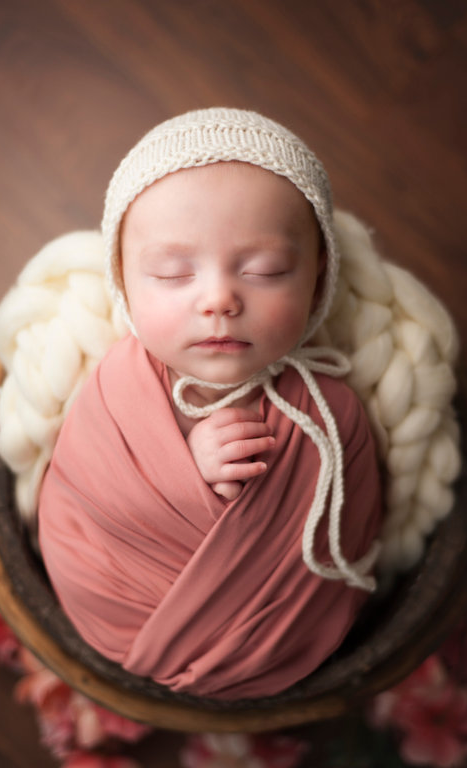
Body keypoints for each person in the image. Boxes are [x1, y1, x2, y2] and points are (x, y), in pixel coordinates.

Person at [38, 108, 383, 700]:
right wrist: (182, 476)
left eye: (266, 270)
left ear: (317, 275)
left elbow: (353, 528)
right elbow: (80, 492)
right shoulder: (117, 387)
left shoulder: (330, 415)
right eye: (173, 274)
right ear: (123, 277)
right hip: (121, 609)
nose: (219, 299)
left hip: (280, 639)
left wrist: (264, 498)